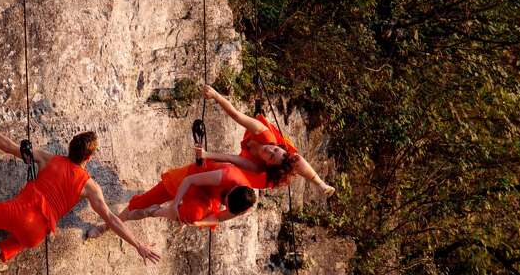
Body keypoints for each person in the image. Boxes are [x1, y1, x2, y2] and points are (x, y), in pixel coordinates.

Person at [0, 111, 160, 265]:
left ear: (69, 147)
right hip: (35, 234)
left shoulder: (48, 158)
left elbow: (8, 146)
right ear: (89, 158)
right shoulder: (90, 187)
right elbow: (112, 218)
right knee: (19, 240)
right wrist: (138, 245)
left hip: (19, 213)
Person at [197, 85, 335, 195]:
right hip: (268, 137)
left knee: (230, 175)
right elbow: (236, 115)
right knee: (295, 159)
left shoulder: (257, 167)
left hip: (265, 174)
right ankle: (320, 184)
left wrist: (206, 154)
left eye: (270, 156)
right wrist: (216, 95)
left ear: (268, 163)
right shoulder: (264, 135)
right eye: (275, 150)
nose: (269, 150)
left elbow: (231, 159)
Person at [88, 159, 256, 236]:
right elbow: (189, 180)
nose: (224, 204)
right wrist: (174, 206)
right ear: (234, 188)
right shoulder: (226, 175)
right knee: (141, 203)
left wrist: (194, 222)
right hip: (191, 179)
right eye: (225, 200)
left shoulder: (240, 206)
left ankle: (154, 212)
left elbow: (217, 218)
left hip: (206, 198)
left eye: (225, 205)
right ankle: (107, 225)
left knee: (193, 215)